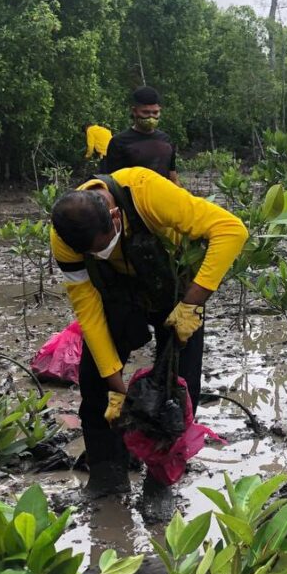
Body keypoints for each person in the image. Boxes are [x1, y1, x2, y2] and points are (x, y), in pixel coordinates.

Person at [50, 167, 247, 518]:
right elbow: (88, 309)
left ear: (114, 216)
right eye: (94, 255)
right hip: (117, 295)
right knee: (94, 380)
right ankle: (108, 475)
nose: (102, 255)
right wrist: (115, 384)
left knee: (177, 389)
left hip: (174, 289)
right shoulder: (65, 237)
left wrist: (191, 303)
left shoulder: (149, 193)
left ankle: (160, 484)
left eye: (104, 246)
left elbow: (231, 230)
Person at [102, 86, 180, 183]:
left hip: (161, 196)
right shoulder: (119, 142)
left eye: (155, 112)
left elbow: (172, 175)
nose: (151, 117)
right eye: (145, 112)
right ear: (134, 111)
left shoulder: (166, 140)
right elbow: (112, 181)